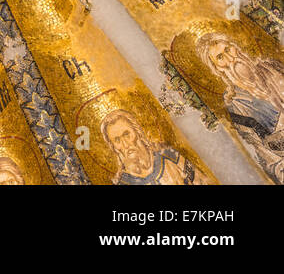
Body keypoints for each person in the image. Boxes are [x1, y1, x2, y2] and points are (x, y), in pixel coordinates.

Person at [195, 32, 284, 181]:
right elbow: (268, 157)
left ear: (236, 47)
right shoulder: (237, 108)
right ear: (217, 68)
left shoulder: (271, 67)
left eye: (228, 49)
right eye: (220, 57)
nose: (231, 59)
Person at [100, 108, 209, 185]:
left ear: (138, 132)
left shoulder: (170, 157)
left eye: (126, 134)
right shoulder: (123, 183)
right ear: (113, 147)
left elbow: (203, 182)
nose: (125, 144)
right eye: (117, 140)